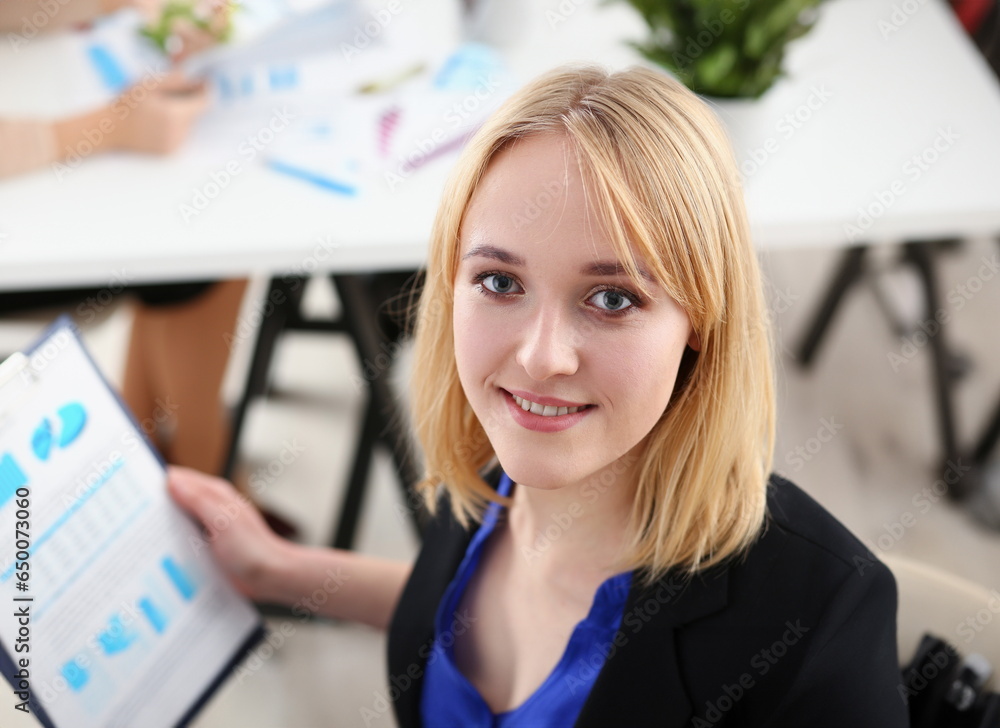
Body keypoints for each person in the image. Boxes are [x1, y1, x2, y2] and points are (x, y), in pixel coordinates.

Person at [167, 65, 910, 726]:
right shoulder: (498, 467)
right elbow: (455, 607)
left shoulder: (821, 620)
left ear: (701, 322)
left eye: (612, 299)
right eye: (500, 282)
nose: (539, 358)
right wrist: (276, 571)